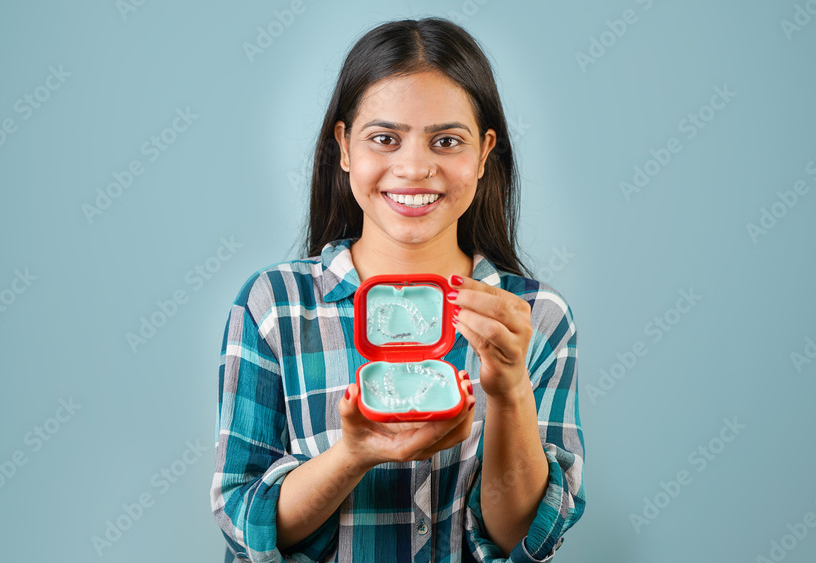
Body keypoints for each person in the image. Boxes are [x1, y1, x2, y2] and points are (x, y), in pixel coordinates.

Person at [211, 17, 584, 563]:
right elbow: (243, 520)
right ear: (344, 147)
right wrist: (353, 454)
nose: (414, 168)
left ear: (484, 153)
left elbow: (520, 537)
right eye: (384, 139)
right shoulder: (274, 306)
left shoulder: (533, 317)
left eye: (447, 141)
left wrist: (510, 392)